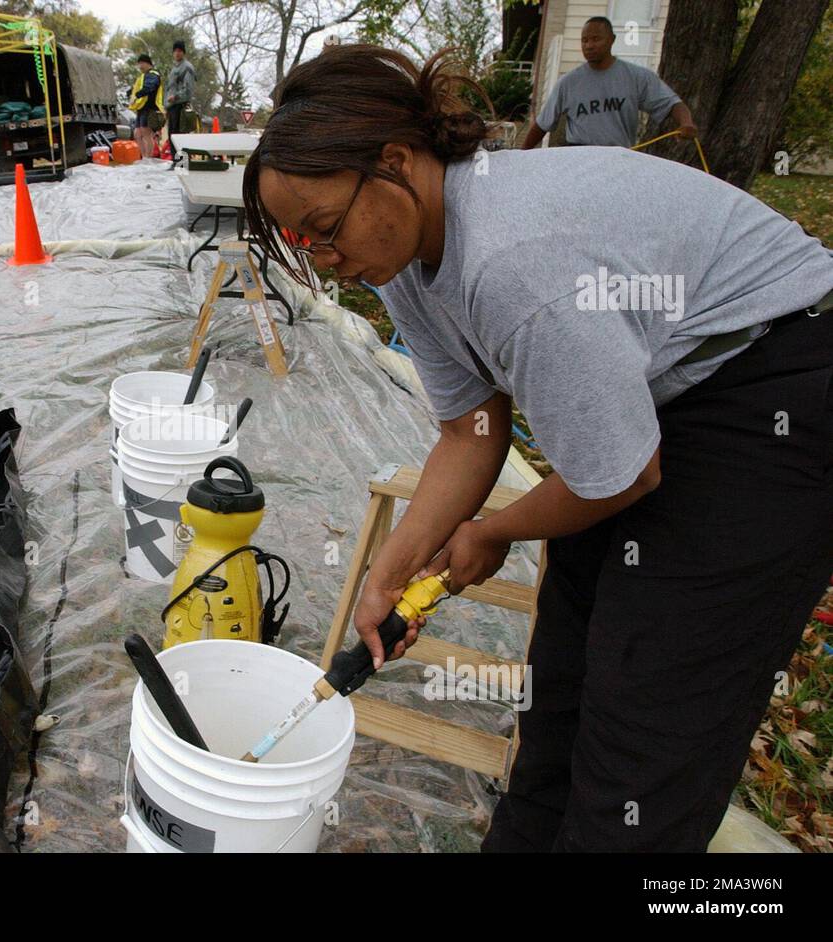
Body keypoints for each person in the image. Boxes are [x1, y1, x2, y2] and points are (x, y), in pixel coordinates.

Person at [242, 44, 833, 852]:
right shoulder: (404, 260)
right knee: (563, 685)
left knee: (647, 718)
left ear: (395, 162)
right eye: (303, 242)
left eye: (325, 229)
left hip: (777, 380)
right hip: (667, 387)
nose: (325, 259)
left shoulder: (513, 264)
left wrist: (491, 533)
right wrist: (392, 569)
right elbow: (471, 430)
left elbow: (620, 475)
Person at [522, 16, 696, 149]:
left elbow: (672, 103)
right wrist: (520, 156)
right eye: (584, 40)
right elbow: (542, 125)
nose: (589, 45)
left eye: (596, 39)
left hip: (618, 159)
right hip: (578, 159)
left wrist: (686, 123)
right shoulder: (567, 83)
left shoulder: (635, 77)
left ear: (612, 40)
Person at [129, 53, 164, 160]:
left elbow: (149, 87)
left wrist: (137, 95)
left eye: (141, 63)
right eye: (139, 64)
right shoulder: (143, 76)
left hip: (150, 108)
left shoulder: (153, 75)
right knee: (137, 133)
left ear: (147, 63)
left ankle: (148, 158)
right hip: (141, 108)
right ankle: (144, 156)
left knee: (146, 133)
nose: (140, 66)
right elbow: (138, 88)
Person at [165, 40, 196, 138]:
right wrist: (166, 106)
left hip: (181, 107)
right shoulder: (174, 68)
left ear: (183, 52)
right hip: (172, 107)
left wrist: (176, 96)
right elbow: (169, 88)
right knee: (172, 137)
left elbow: (188, 89)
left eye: (179, 51)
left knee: (179, 137)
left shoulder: (187, 67)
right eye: (175, 51)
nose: (177, 53)